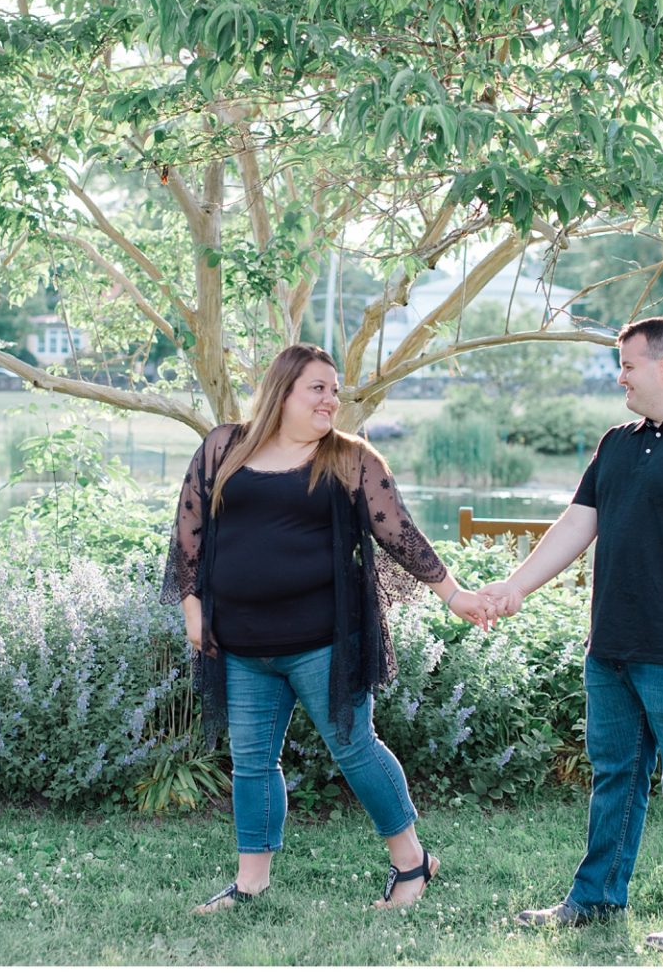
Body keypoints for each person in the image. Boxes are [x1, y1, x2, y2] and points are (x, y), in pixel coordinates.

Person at [161, 344, 494, 914]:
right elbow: (188, 526)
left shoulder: (349, 458)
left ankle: (412, 862)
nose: (331, 399)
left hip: (323, 643)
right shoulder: (224, 446)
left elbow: (400, 534)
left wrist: (454, 594)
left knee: (355, 747)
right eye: (318, 388)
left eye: (334, 390)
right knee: (252, 763)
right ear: (282, 391)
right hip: (240, 643)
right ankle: (250, 885)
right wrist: (192, 607)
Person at [481, 316, 663, 950]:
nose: (620, 376)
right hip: (611, 646)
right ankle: (594, 900)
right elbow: (575, 524)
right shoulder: (617, 442)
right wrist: (514, 586)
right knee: (615, 773)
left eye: (628, 364)